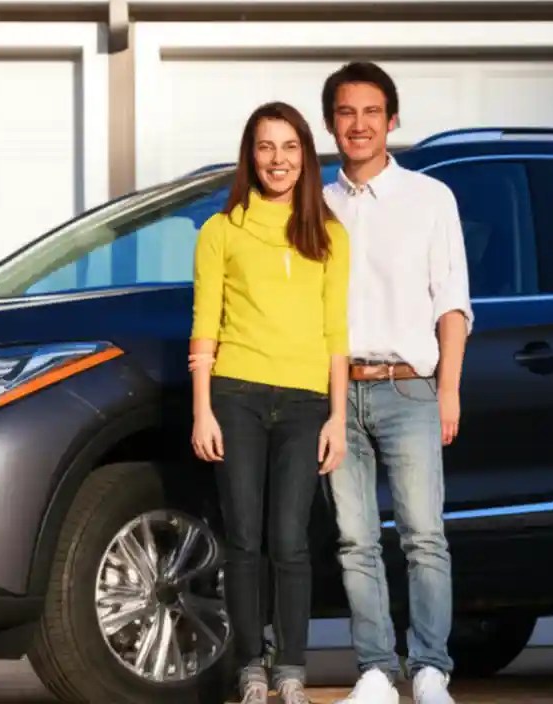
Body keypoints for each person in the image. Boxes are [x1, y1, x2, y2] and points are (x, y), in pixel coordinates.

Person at [320, 62, 473, 704]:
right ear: (331, 123)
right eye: (346, 113)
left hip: (410, 387)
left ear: (392, 120)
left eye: (371, 112)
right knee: (355, 540)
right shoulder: (316, 207)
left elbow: (452, 302)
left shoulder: (430, 198)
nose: (359, 124)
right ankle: (377, 672)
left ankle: (431, 668)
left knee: (423, 535)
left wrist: (448, 389)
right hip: (336, 394)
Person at [189, 100, 351, 704]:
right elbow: (205, 326)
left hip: (307, 403)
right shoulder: (221, 231)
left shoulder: (330, 234)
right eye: (265, 147)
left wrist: (338, 417)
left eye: (289, 147)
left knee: (290, 539)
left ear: (305, 156)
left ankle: (292, 669)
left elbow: (337, 334)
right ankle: (250, 668)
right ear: (250, 156)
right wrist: (202, 409)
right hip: (236, 396)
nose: (277, 159)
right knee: (243, 539)